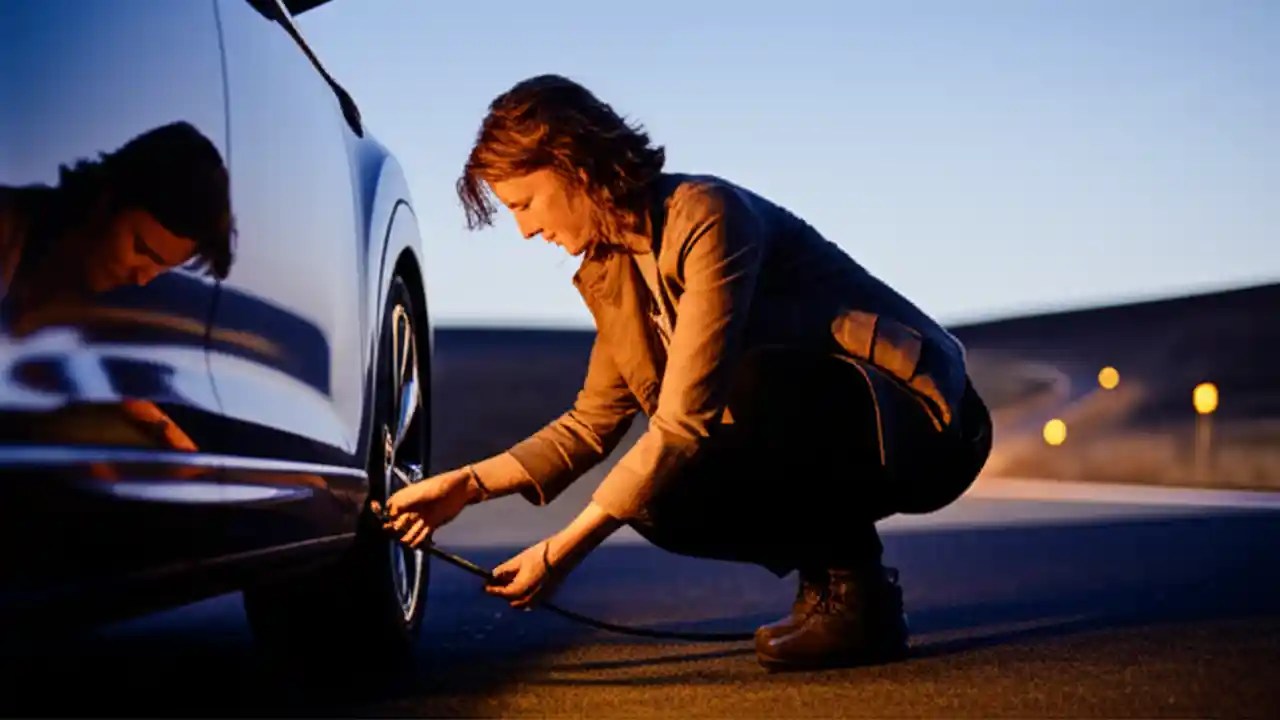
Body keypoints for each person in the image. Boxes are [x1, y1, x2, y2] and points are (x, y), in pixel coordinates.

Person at [385, 74, 992, 671]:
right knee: (655, 496)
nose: (524, 229)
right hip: (831, 427)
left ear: (574, 164)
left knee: (748, 389)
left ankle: (855, 592)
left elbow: (682, 422)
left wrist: (564, 550)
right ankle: (840, 591)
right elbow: (591, 423)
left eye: (524, 203)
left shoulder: (707, 215)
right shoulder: (613, 269)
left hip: (924, 421)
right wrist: (465, 485)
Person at [0, 120, 235, 328]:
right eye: (141, 249)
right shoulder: (9, 231)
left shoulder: (85, 310)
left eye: (161, 268)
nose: (141, 279)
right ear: (107, 198)